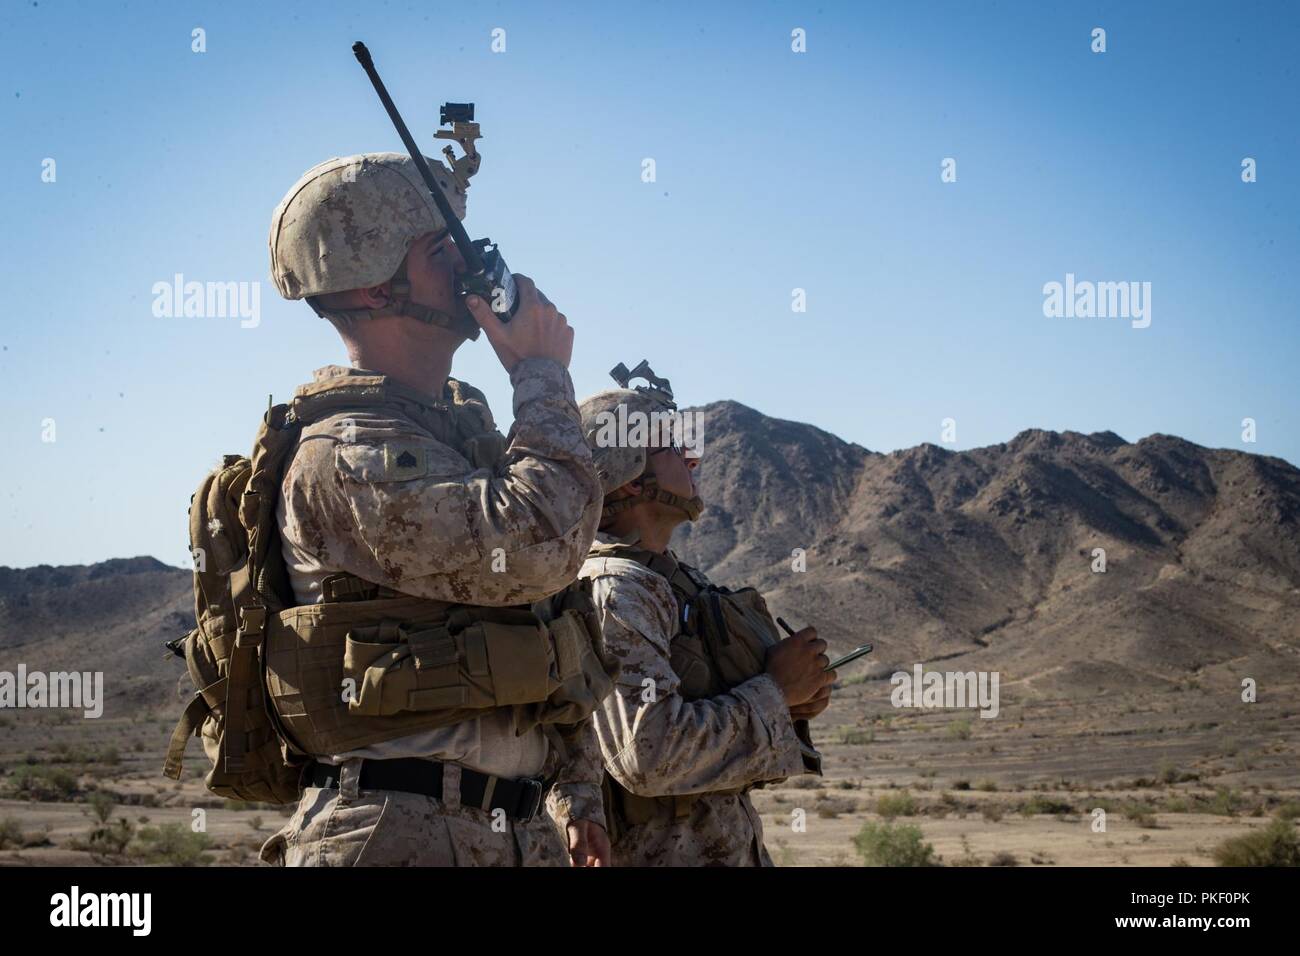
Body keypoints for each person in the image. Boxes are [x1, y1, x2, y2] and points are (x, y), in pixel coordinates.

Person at [255, 150, 610, 866]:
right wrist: (541, 375)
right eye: (441, 251)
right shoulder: (350, 453)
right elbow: (541, 546)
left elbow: (547, 629)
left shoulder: (456, 436)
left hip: (506, 827)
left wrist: (574, 797)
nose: (472, 266)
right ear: (378, 289)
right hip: (396, 831)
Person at [573, 362, 835, 865]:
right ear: (629, 479)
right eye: (672, 446)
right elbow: (648, 755)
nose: (691, 459)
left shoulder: (671, 580)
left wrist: (795, 702)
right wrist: (775, 692)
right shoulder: (615, 593)